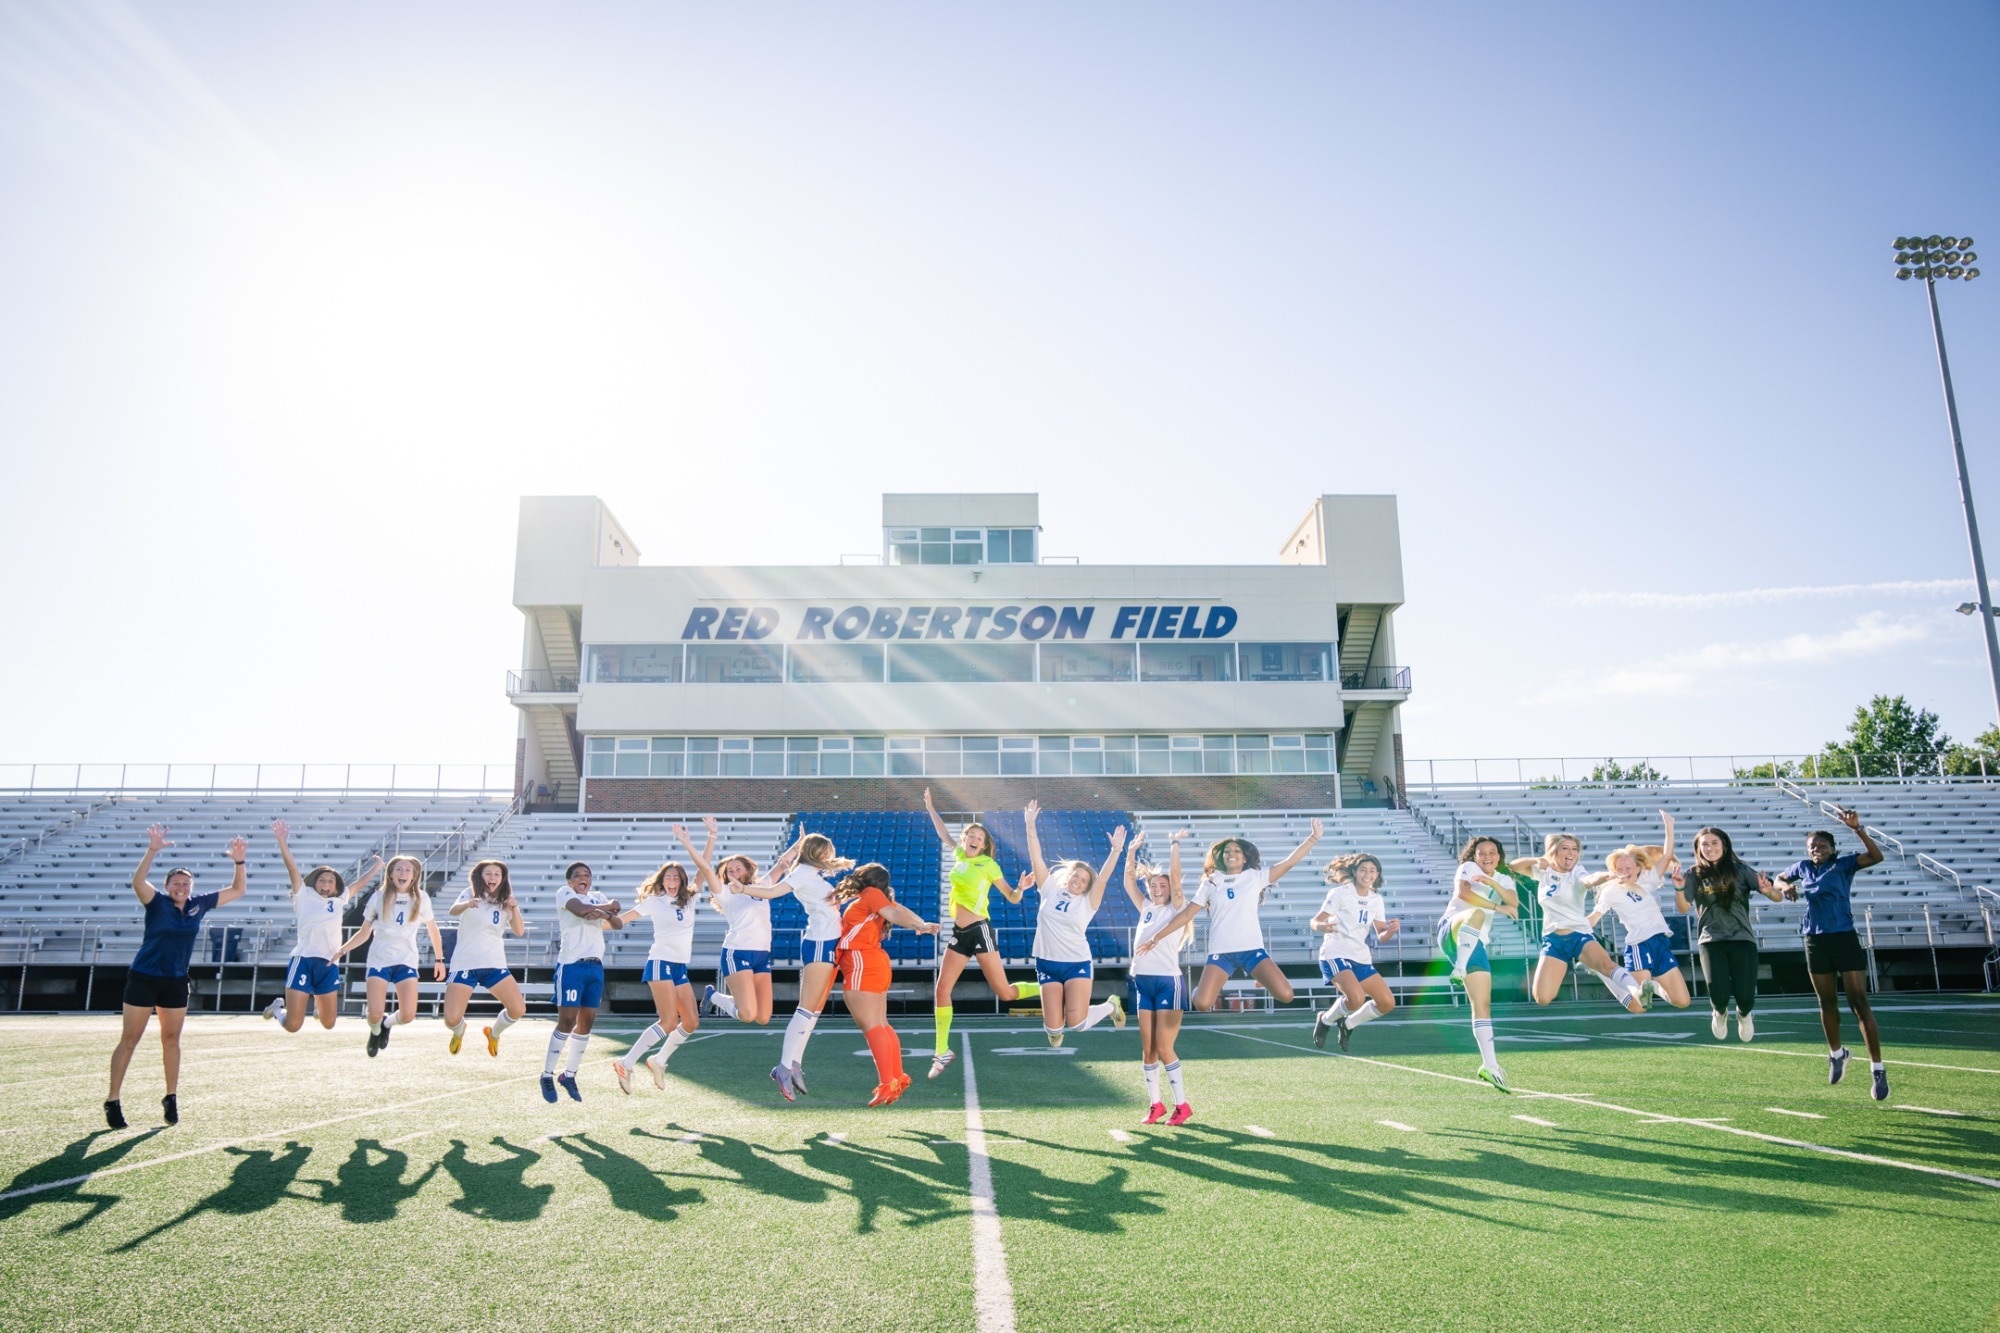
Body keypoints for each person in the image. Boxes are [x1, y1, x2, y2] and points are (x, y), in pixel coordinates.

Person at [106, 824, 247, 1129]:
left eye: (185, 883)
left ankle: (171, 1097)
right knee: (130, 1039)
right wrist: (153, 849)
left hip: (175, 981)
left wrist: (239, 862)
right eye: (176, 883)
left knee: (171, 1039)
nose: (181, 887)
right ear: (167, 885)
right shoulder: (156, 902)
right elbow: (137, 881)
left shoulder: (198, 905)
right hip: (144, 977)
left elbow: (238, 890)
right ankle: (113, 1100)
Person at [1137, 819, 1324, 1012]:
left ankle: (1261, 978)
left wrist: (1314, 837)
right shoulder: (1211, 882)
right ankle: (1199, 991)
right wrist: (1156, 938)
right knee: (1201, 1004)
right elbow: (1185, 916)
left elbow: (1288, 863)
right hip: (1221, 952)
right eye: (1227, 852)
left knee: (1286, 995)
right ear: (1221, 858)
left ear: (1244, 858)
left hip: (1251, 950)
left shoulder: (1254, 876)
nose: (1231, 854)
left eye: (1236, 851)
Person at [921, 787, 1042, 1079]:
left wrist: (1021, 889)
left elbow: (1011, 897)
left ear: (985, 846)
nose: (974, 840)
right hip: (959, 932)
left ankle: (1049, 986)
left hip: (980, 929)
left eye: (980, 839)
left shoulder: (988, 864)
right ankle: (942, 1051)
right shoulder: (960, 854)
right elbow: (944, 835)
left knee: (1006, 992)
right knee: (941, 989)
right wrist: (930, 807)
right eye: (971, 836)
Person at [1773, 808, 1889, 1100]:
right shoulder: (1803, 867)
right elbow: (1777, 878)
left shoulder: (1845, 864)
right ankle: (1837, 1054)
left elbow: (1877, 857)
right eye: (1812, 847)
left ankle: (1877, 1069)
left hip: (1844, 938)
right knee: (1826, 1002)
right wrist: (1785, 885)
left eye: (1821, 846)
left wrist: (1857, 828)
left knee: (1859, 1002)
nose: (1816, 850)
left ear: (1832, 849)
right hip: (1815, 940)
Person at [832, 863, 941, 1106]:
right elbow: (899, 909)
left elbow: (894, 914)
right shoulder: (877, 897)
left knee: (872, 1027)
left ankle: (887, 1082)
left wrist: (920, 926)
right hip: (872, 961)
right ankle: (897, 1077)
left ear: (865, 877)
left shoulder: (871, 894)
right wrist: (921, 923)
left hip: (861, 960)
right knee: (881, 1024)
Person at [610, 835, 712, 1094]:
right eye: (667, 878)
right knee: (667, 1021)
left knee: (690, 1022)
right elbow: (624, 919)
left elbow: (704, 867)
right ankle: (626, 1062)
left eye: (676, 878)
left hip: (679, 966)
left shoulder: (689, 898)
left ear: (682, 881)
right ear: (661, 881)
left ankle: (659, 1060)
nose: (671, 882)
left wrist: (711, 836)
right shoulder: (654, 902)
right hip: (660, 963)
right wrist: (594, 924)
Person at [1022, 800, 1129, 1046]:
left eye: (1084, 880)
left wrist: (1115, 851)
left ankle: (1111, 1006)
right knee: (1053, 1029)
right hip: (1047, 963)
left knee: (1078, 1024)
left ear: (1087, 886)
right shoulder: (1048, 888)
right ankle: (1055, 1027)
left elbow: (1102, 880)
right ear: (1069, 874)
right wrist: (1030, 825)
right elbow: (1036, 855)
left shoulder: (1088, 903)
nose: (1079, 881)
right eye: (1076, 875)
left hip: (1076, 963)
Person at [263, 820, 378, 1032]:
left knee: (328, 1023)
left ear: (336, 887)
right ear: (315, 882)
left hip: (328, 963)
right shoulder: (304, 895)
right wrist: (281, 841)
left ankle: (318, 1000)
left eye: (331, 881)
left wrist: (377, 867)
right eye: (322, 880)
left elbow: (359, 884)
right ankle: (279, 1008)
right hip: (304, 960)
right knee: (293, 1025)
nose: (326, 884)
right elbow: (292, 867)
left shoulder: (340, 899)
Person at [1511, 834, 1647, 1014]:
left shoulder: (1578, 872)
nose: (1571, 853)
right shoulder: (1543, 872)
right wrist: (1538, 860)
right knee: (1542, 998)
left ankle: (1640, 990)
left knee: (1607, 965)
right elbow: (1513, 866)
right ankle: (1594, 968)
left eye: (1575, 849)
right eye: (1565, 848)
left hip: (1579, 935)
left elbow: (1590, 880)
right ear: (1554, 851)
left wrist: (1608, 875)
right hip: (1553, 940)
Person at [330, 853, 446, 1056]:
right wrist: (342, 950)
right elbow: (364, 932)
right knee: (373, 1013)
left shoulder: (421, 898)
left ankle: (387, 1023)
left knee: (408, 1015)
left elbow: (433, 930)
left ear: (414, 875)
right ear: (390, 874)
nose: (403, 873)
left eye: (408, 870)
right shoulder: (378, 898)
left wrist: (439, 960)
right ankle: (376, 1030)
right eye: (399, 869)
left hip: (406, 960)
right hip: (379, 960)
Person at [1674, 825, 1781, 1042]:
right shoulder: (1693, 874)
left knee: (1745, 995)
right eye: (1705, 844)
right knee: (1719, 995)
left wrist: (1769, 891)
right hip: (1711, 940)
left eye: (1714, 843)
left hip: (1742, 939)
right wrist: (1678, 888)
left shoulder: (1740, 870)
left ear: (1724, 845)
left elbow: (1777, 897)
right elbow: (1683, 908)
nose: (1710, 847)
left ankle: (1744, 1014)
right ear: (1698, 848)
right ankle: (1720, 1012)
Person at [769, 830, 852, 1101]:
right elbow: (773, 891)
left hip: (827, 943)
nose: (829, 857)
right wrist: (744, 888)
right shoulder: (802, 873)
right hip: (819, 942)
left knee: (814, 1012)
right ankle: (783, 1067)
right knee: (806, 1010)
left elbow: (787, 862)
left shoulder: (809, 873)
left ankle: (793, 1065)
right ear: (816, 852)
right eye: (826, 852)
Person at [1123, 829, 1195, 1125]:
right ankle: (1156, 1105)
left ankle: (1183, 1105)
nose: (1157, 889)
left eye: (1162, 885)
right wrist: (1130, 851)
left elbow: (1176, 879)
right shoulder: (1146, 907)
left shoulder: (1177, 907)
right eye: (1153, 885)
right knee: (1149, 1049)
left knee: (1165, 1047)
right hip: (1143, 982)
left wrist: (1174, 844)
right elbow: (1128, 882)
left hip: (1168, 982)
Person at [686, 815, 785, 1028]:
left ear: (748, 870)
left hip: (762, 955)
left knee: (763, 1017)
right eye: (730, 870)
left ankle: (714, 995)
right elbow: (705, 869)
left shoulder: (762, 885)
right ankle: (714, 997)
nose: (734, 873)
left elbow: (782, 864)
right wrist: (709, 835)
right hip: (737, 952)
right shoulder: (724, 892)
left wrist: (802, 843)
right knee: (748, 1014)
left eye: (738, 868)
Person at [1437, 836, 1519, 1092]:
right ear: (1474, 856)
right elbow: (1464, 893)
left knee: (1482, 1005)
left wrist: (1493, 882)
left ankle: (1490, 1066)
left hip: (1475, 943)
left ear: (1499, 856)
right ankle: (1459, 968)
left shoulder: (1504, 879)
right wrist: (1496, 905)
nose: (1487, 856)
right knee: (1478, 912)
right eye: (1481, 852)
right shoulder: (1468, 869)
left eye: (1492, 852)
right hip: (1452, 929)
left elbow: (1514, 903)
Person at [542, 862, 622, 1102]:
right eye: (577, 875)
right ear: (570, 881)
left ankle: (569, 1075)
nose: (582, 878)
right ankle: (547, 1074)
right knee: (566, 1021)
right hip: (572, 965)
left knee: (586, 1023)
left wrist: (605, 912)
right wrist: (608, 908)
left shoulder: (597, 896)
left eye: (587, 874)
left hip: (595, 966)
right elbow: (579, 910)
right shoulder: (564, 893)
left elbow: (617, 922)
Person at [1310, 852, 1401, 1052]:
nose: (1367, 874)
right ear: (1354, 872)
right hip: (1335, 953)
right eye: (1363, 870)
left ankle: (1348, 1024)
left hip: (1360, 956)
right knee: (1356, 998)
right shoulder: (1340, 894)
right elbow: (1314, 921)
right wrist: (1322, 926)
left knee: (1386, 1003)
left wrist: (1391, 930)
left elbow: (1381, 936)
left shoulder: (1376, 899)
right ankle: (1325, 1020)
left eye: (1372, 871)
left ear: (1377, 874)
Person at [1587, 844, 1691, 1011]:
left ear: (1638, 868)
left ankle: (1654, 987)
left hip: (1661, 943)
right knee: (1638, 1008)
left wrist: (1669, 825)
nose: (1624, 871)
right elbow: (1594, 917)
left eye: (1628, 867)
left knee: (1682, 1001)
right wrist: (1573, 928)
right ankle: (1603, 972)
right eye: (1619, 868)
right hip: (1639, 944)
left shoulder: (1648, 880)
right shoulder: (1611, 890)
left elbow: (1666, 856)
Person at [441, 859, 528, 1057]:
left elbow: (519, 931)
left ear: (503, 879)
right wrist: (466, 904)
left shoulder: (507, 900)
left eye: (497, 874)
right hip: (465, 963)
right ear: (480, 876)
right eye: (488, 873)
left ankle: (494, 1033)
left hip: (494, 963)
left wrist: (514, 908)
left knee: (517, 1009)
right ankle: (459, 1030)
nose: (492, 878)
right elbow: (452, 910)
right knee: (451, 1019)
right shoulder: (470, 893)